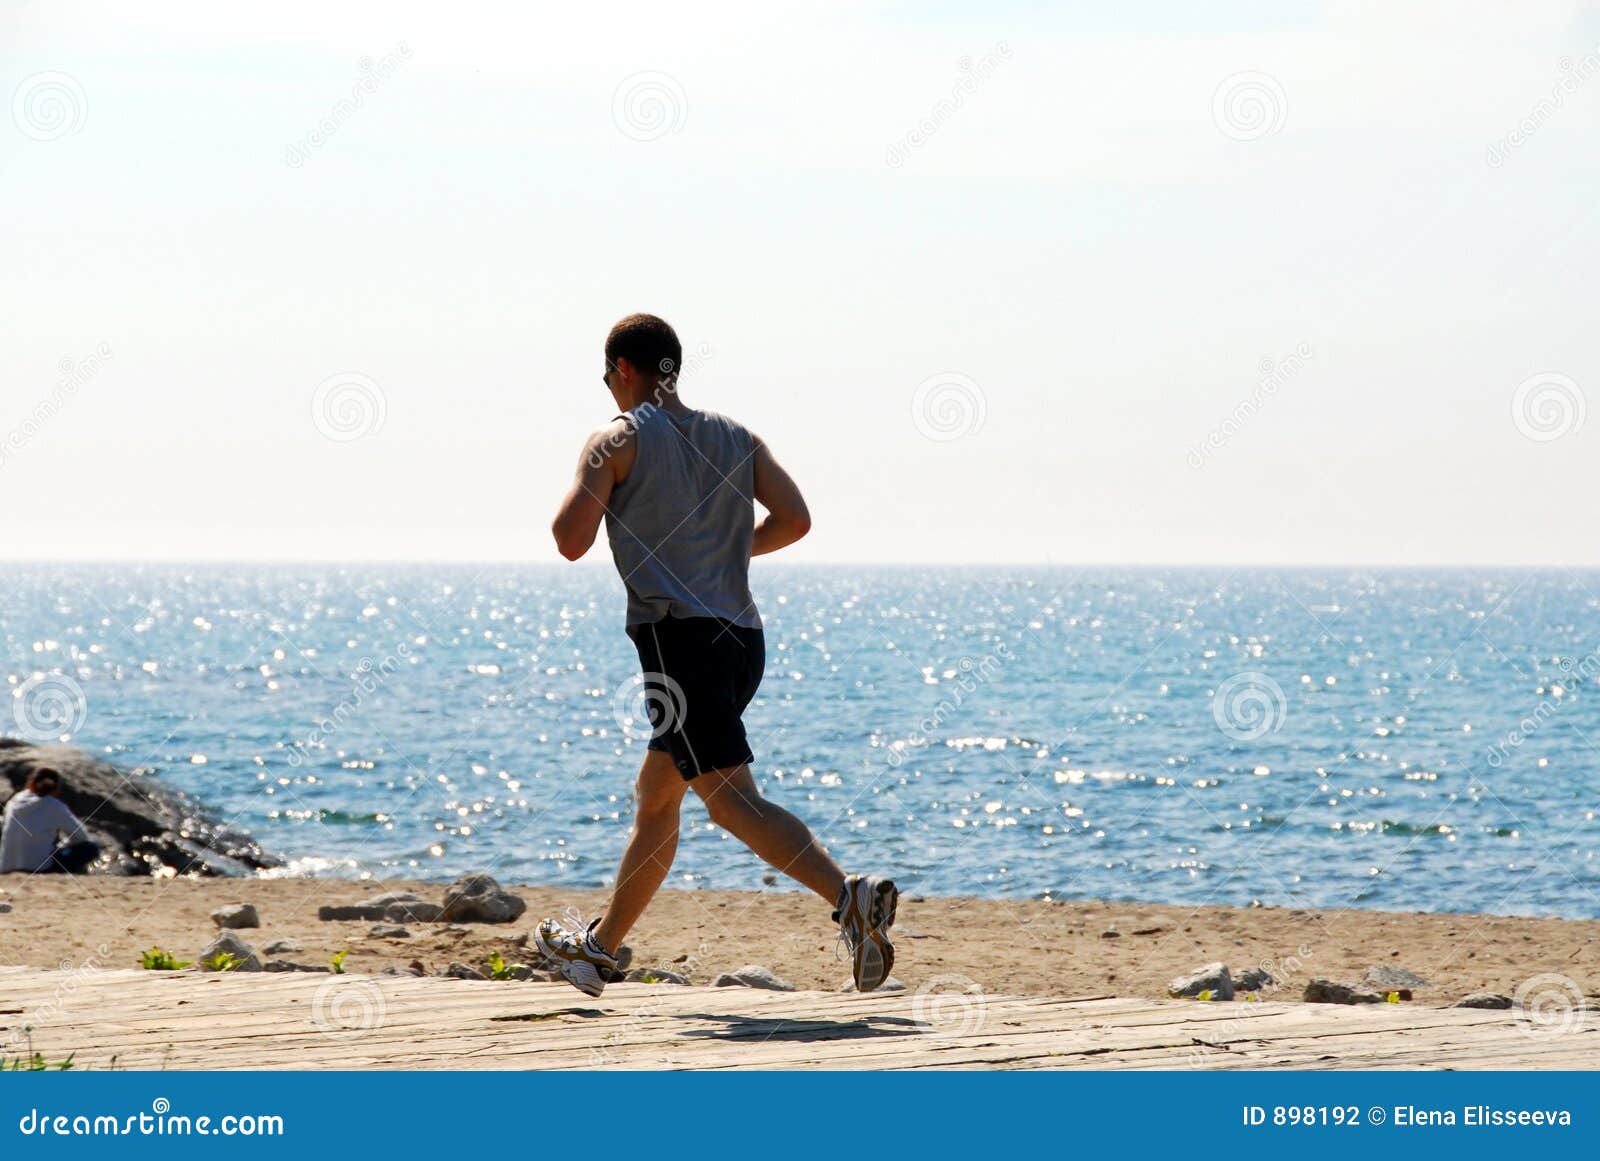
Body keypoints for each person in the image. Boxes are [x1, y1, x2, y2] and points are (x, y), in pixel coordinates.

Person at [536, 313, 897, 997]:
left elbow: (569, 539)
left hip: (680, 644)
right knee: (657, 793)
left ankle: (848, 895)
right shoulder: (737, 437)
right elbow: (795, 519)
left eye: (608, 378)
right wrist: (725, 550)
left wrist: (593, 466)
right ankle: (600, 951)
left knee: (729, 801)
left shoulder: (616, 438)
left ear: (622, 370)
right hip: (742, 641)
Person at [0, 767, 100, 874]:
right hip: (38, 869)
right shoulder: (54, 805)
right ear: (56, 789)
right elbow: (81, 836)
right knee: (91, 847)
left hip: (6, 868)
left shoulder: (14, 801)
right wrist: (62, 846)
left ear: (30, 783)